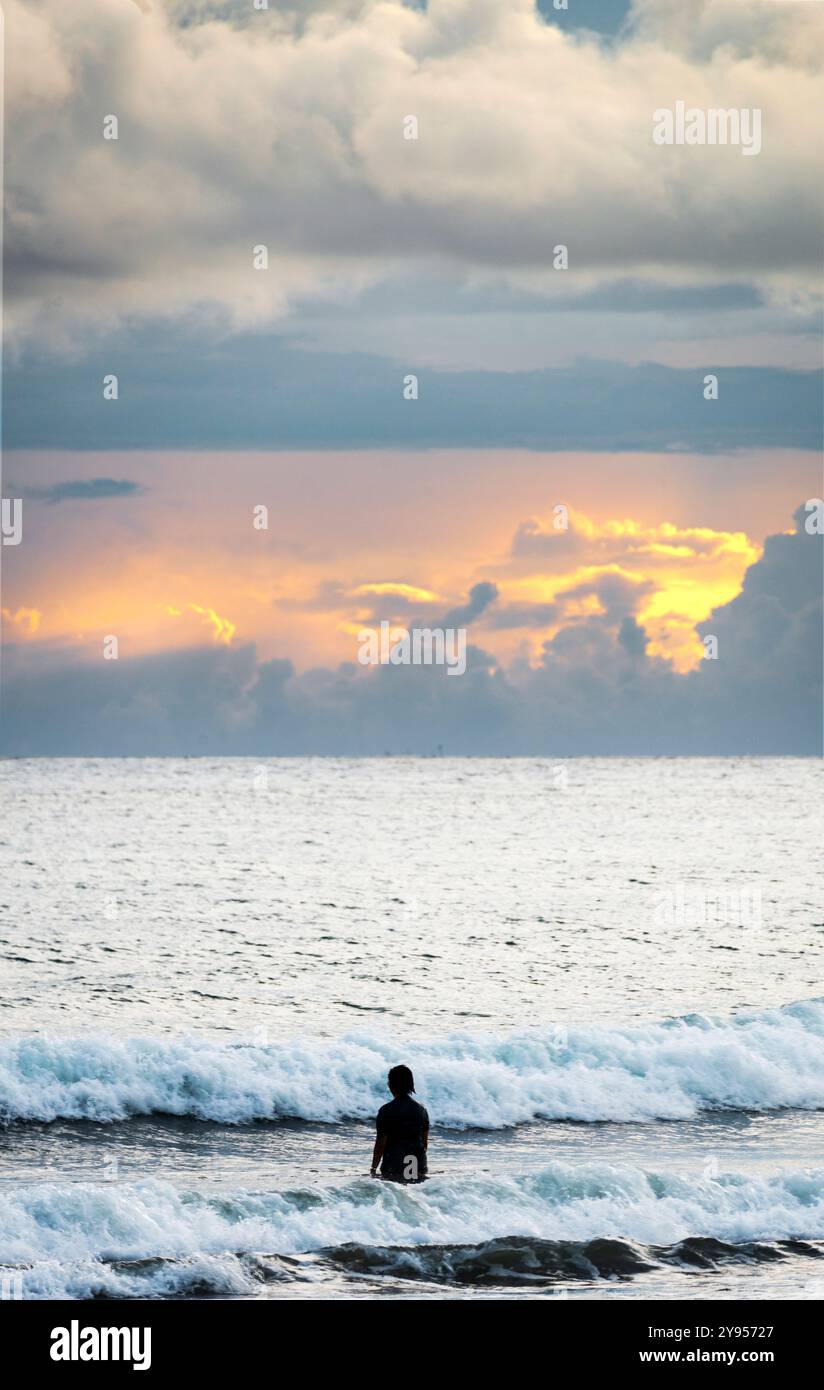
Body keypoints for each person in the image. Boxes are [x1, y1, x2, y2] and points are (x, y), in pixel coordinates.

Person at [370, 1065, 429, 1182]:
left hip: (393, 1168)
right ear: (411, 1085)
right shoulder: (422, 1110)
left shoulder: (386, 1110)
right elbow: (424, 1144)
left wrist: (373, 1168)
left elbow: (380, 1144)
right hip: (418, 1167)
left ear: (391, 1085)